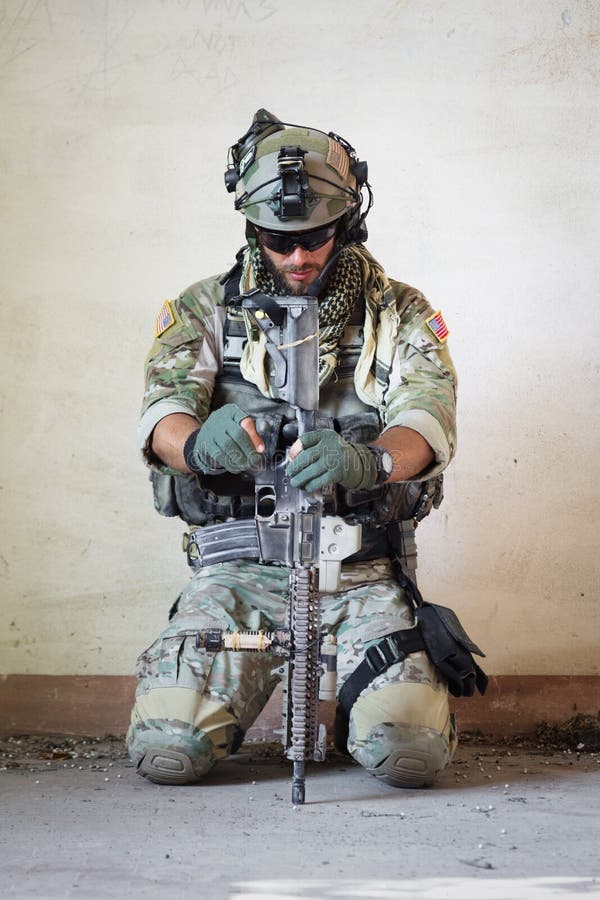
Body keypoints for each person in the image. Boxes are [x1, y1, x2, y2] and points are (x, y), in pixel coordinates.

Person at [127, 109, 463, 789]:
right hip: (238, 573)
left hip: (360, 572)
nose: (299, 257)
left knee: (411, 751)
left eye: (316, 237)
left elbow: (426, 417)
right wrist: (196, 446)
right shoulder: (205, 310)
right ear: (253, 229)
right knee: (169, 746)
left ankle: (360, 709)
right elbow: (162, 413)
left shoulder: (398, 313)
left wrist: (374, 459)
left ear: (347, 223)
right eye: (280, 241)